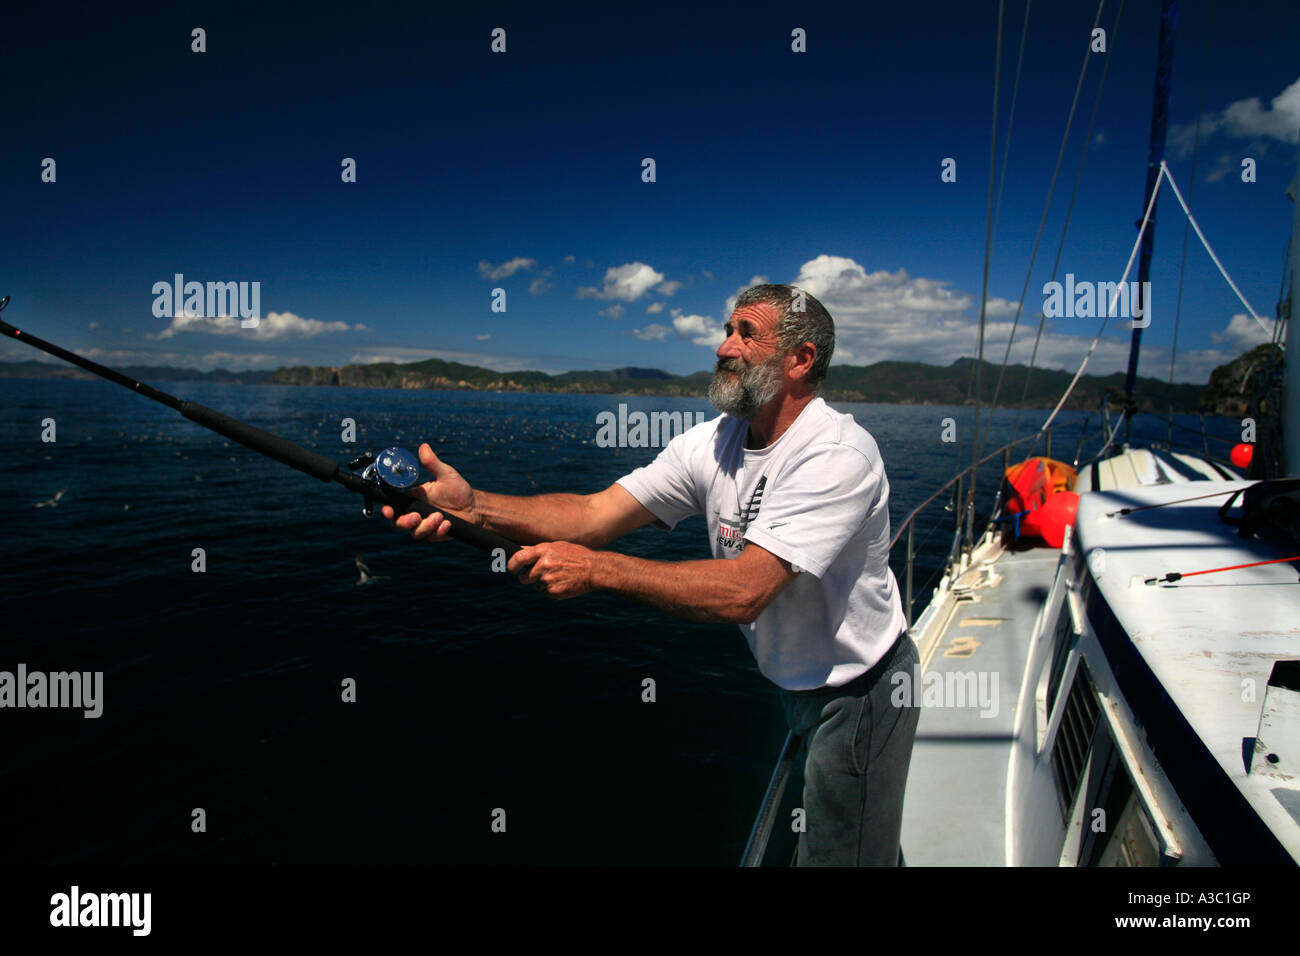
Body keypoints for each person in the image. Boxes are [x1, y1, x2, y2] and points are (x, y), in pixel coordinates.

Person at [383, 283, 920, 866]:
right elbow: (593, 515)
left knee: (845, 855)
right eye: (726, 330)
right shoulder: (715, 442)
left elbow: (744, 592)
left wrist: (595, 572)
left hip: (861, 688)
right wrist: (473, 508)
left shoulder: (838, 454)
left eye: (745, 333)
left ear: (800, 359)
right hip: (796, 682)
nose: (723, 347)